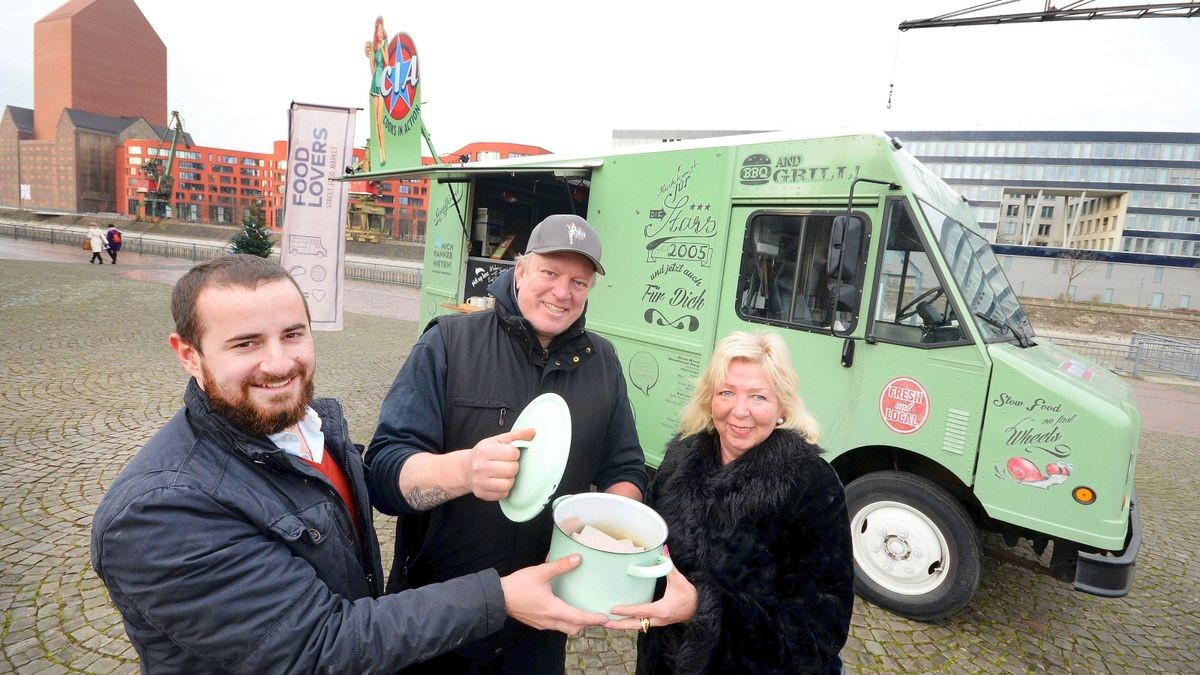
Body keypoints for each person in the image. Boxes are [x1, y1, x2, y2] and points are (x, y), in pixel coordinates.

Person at [90, 255, 606, 672]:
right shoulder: (160, 511)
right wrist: (498, 597)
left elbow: (377, 490)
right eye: (245, 343)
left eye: (293, 334)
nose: (278, 363)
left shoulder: (312, 432)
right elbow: (320, 644)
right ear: (188, 354)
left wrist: (463, 470)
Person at [367, 214, 648, 673]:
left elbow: (626, 469)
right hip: (440, 620)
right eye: (550, 273)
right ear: (520, 271)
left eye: (579, 281)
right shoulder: (448, 343)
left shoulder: (603, 363)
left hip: (538, 630)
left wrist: (613, 528)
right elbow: (383, 473)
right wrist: (463, 471)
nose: (563, 292)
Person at [607, 331, 855, 674]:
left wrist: (702, 608)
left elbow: (822, 631)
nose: (740, 411)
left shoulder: (811, 484)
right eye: (727, 393)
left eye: (758, 397)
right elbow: (649, 555)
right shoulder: (679, 460)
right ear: (710, 398)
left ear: (782, 406)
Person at [365, 16, 388, 166]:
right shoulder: (374, 47)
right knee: (376, 122)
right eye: (377, 29)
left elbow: (387, 62)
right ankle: (379, 150)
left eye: (381, 29)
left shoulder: (384, 44)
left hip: (383, 82)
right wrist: (369, 56)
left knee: (380, 120)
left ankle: (383, 152)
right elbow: (373, 71)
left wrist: (381, 48)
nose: (379, 32)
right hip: (375, 82)